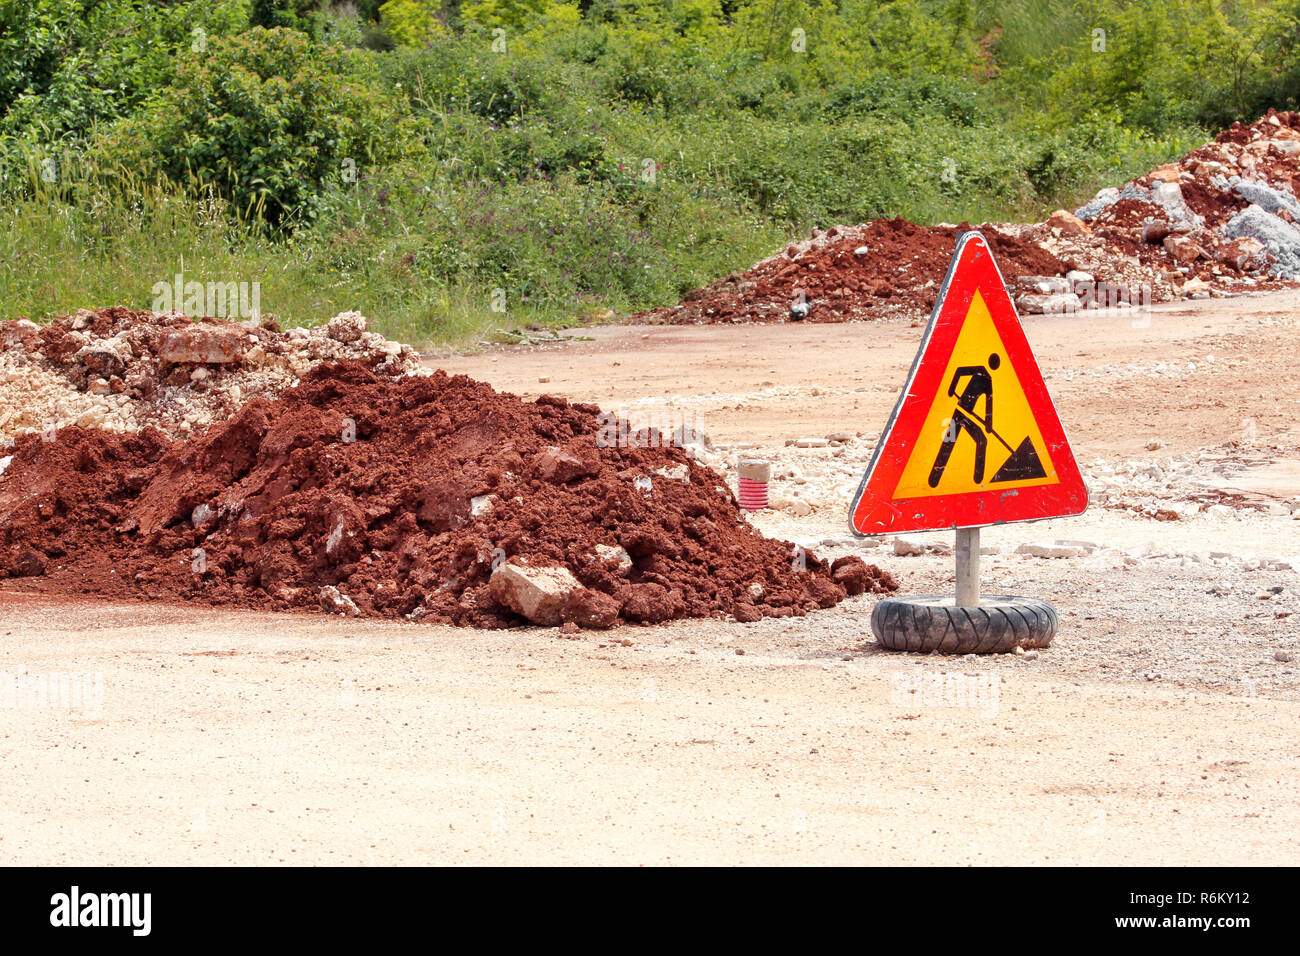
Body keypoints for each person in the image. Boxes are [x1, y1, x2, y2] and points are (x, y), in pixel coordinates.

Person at [928, 353, 1000, 488]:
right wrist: (951, 389)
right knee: (949, 443)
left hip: (967, 415)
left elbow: (988, 406)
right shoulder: (980, 370)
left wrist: (988, 425)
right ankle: (933, 479)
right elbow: (959, 371)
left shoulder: (988, 381)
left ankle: (978, 480)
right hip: (960, 412)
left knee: (981, 441)